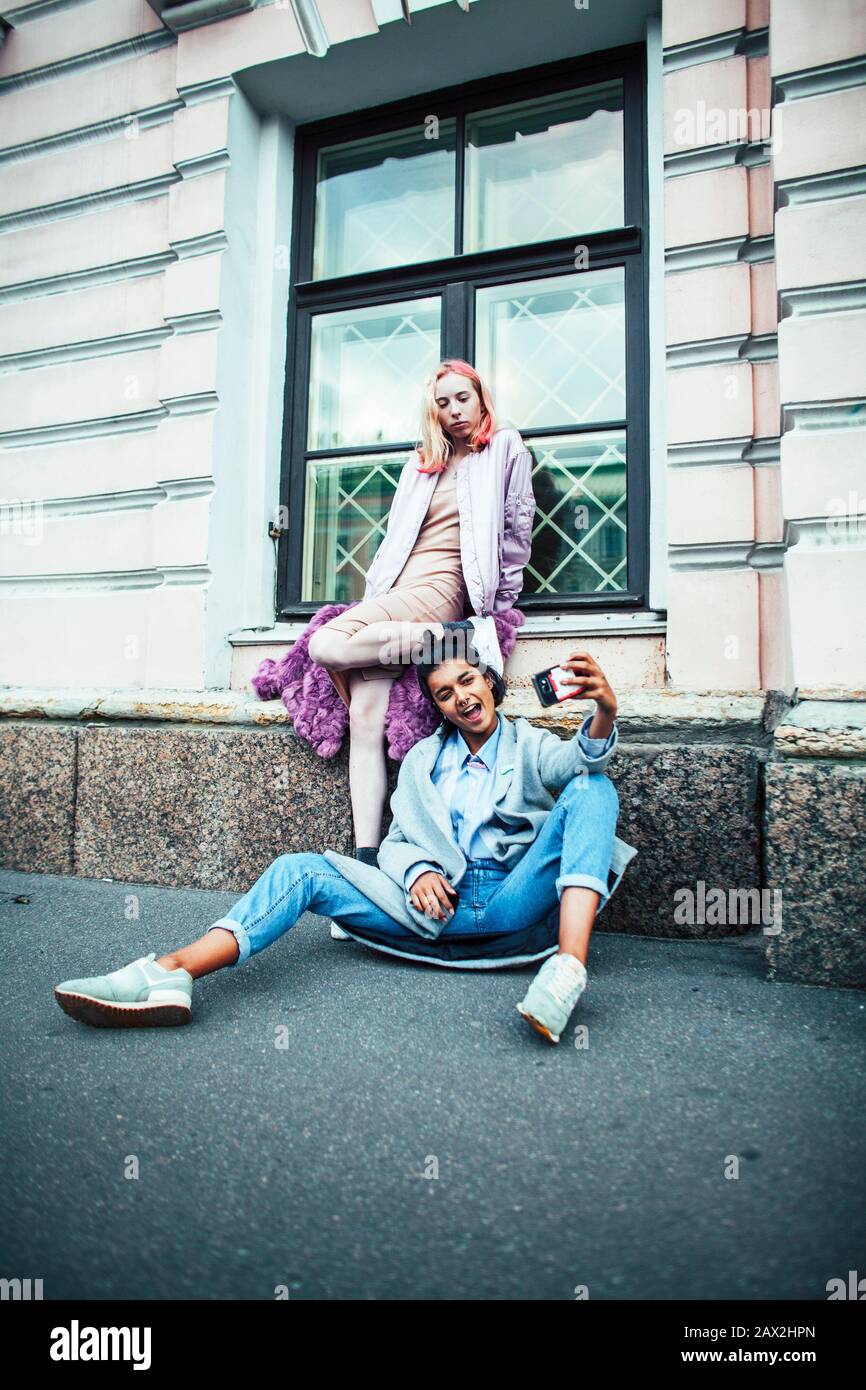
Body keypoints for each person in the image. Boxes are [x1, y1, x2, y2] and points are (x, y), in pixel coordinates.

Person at [53, 631, 638, 1046]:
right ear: (438, 707)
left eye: (468, 680)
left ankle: (566, 971)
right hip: (434, 910)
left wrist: (604, 710)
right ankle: (170, 974)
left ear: (489, 681)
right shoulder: (422, 762)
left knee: (594, 790)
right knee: (299, 868)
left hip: (514, 899)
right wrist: (417, 872)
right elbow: (396, 843)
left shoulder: (530, 745)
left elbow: (579, 760)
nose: (461, 697)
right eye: (443, 692)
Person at [305, 359, 535, 867]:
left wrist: (498, 611)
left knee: (324, 644)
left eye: (463, 398)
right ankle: (366, 858)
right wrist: (375, 597)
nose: (454, 411)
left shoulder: (504, 448)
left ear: (480, 399)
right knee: (364, 716)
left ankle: (454, 633)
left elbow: (517, 533)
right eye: (443, 402)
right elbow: (395, 540)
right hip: (398, 590)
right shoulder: (420, 463)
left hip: (445, 587)